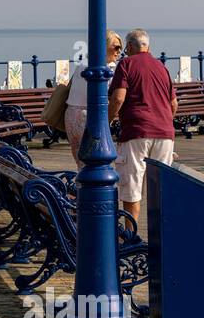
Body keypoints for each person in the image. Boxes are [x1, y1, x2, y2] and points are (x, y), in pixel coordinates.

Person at [108, 28, 177, 221]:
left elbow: (118, 98)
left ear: (129, 47)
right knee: (160, 189)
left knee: (132, 188)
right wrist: (162, 121)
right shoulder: (162, 67)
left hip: (136, 131)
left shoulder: (126, 64)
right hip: (165, 133)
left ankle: (131, 236)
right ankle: (162, 239)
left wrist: (107, 121)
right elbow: (173, 104)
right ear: (148, 46)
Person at [65, 30, 122, 168]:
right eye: (116, 47)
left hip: (71, 115)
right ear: (103, 46)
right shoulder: (102, 69)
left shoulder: (84, 64)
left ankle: (81, 188)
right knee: (95, 163)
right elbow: (115, 96)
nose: (119, 51)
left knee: (82, 164)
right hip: (87, 116)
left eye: (120, 47)